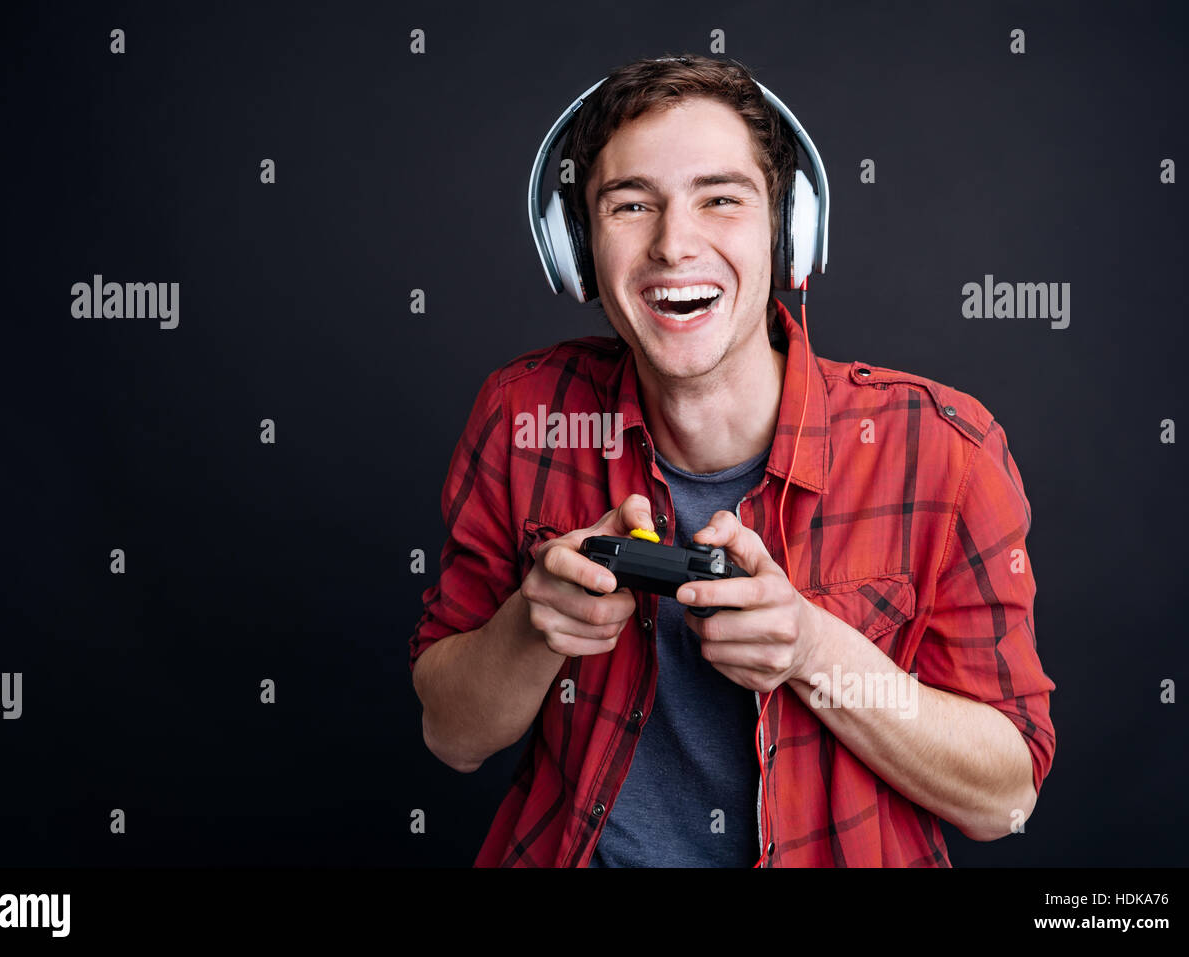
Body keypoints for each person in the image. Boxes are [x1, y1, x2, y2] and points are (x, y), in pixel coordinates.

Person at [409, 54, 1055, 867]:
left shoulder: (946, 451)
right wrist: (533, 629)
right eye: (631, 203)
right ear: (576, 250)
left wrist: (814, 652)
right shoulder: (525, 415)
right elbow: (453, 736)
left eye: (721, 199)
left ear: (789, 233)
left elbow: (1006, 798)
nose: (675, 244)